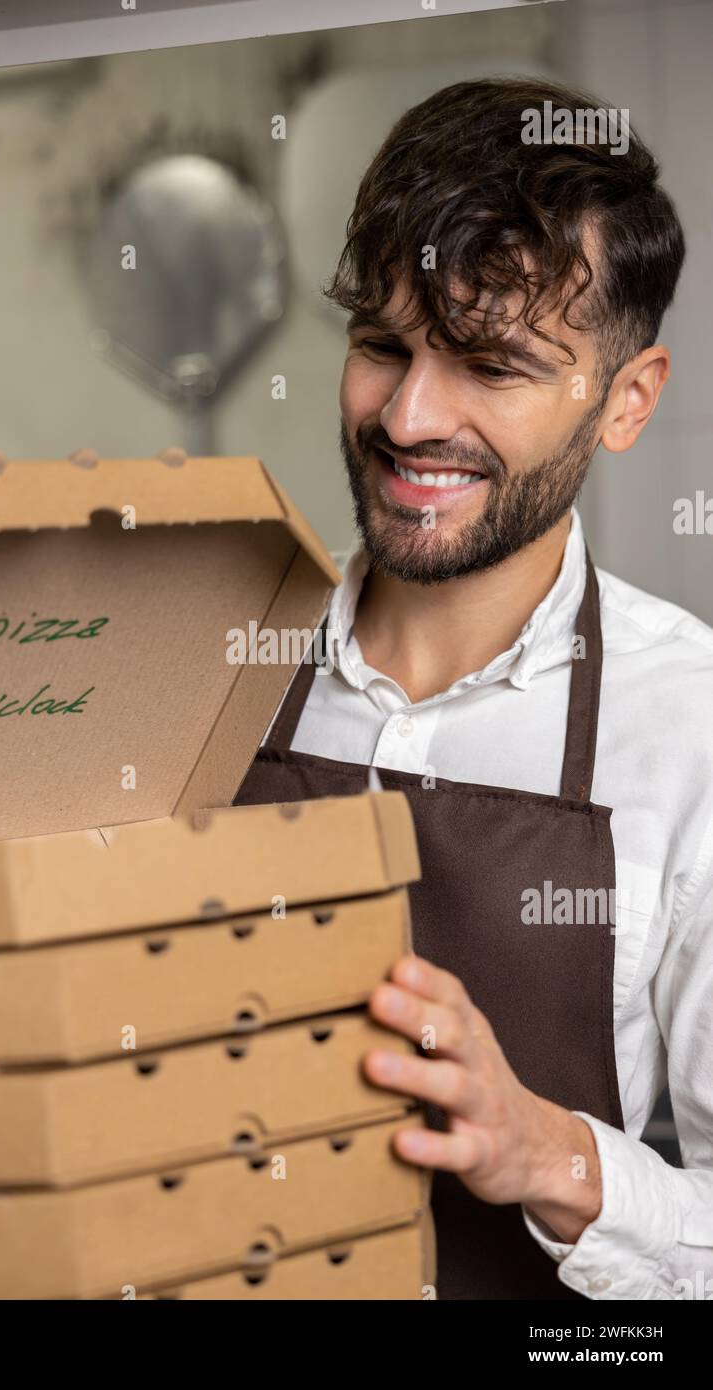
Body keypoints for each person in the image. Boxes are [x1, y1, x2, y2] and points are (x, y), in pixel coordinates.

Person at [234, 77, 713, 1300]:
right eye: (382, 345)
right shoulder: (201, 660)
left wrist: (540, 1148)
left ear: (624, 400)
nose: (406, 415)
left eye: (488, 365)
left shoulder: (690, 727)